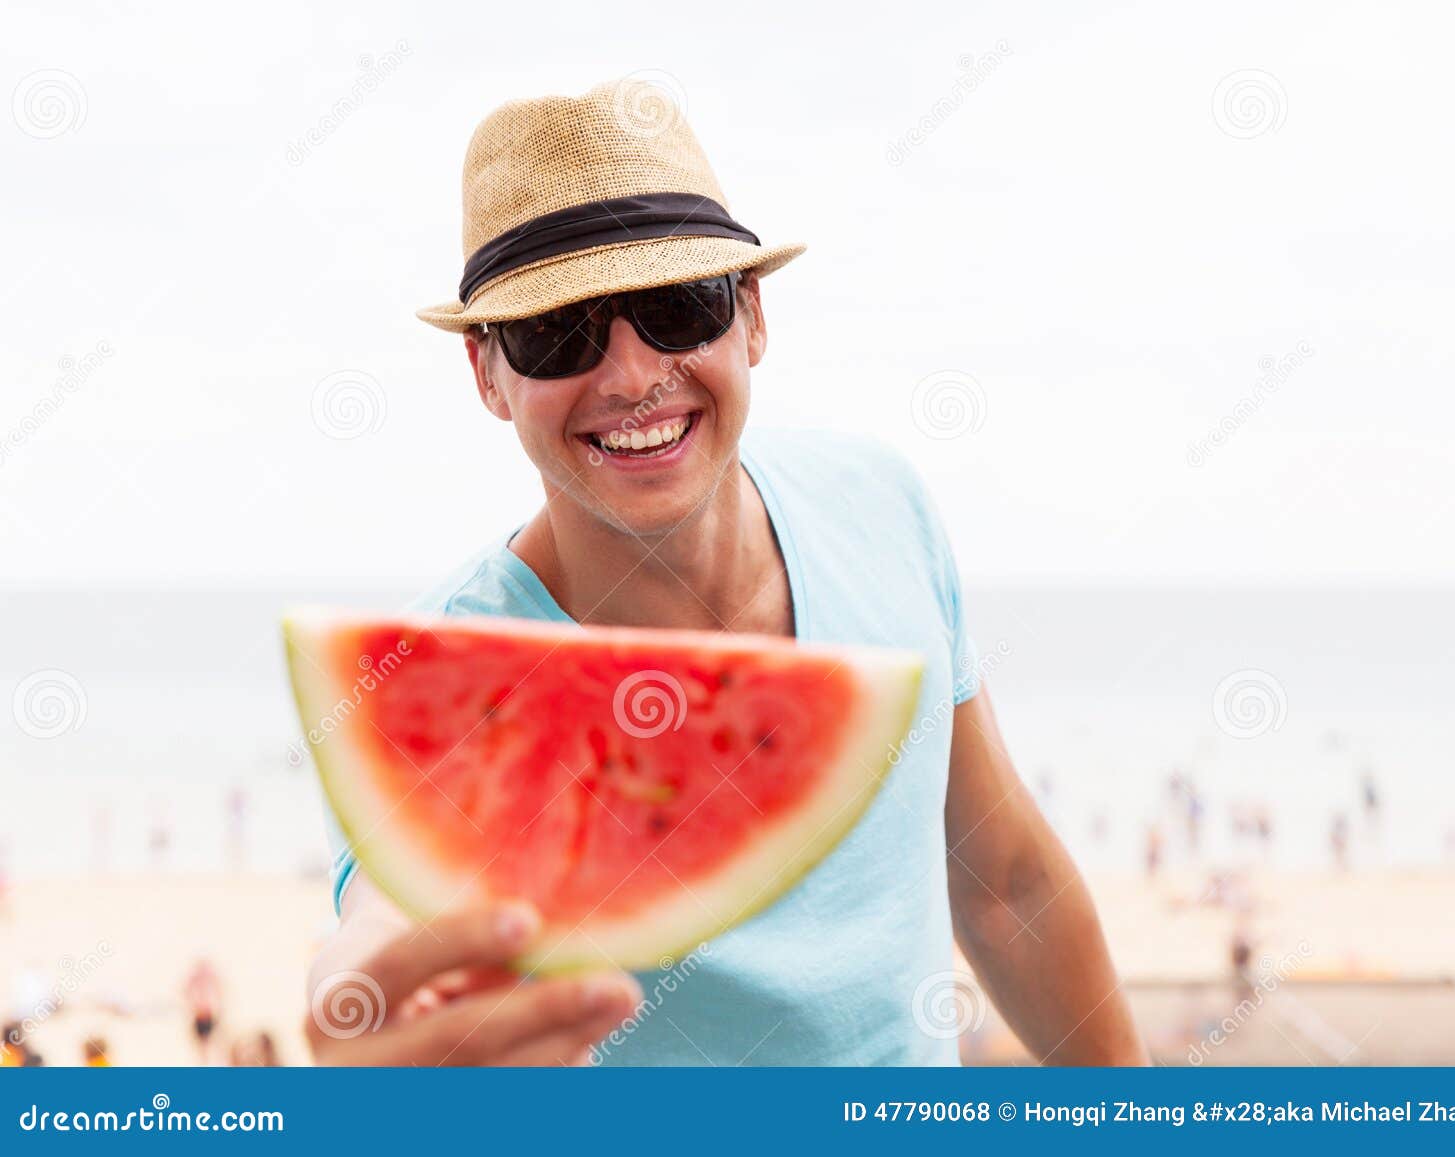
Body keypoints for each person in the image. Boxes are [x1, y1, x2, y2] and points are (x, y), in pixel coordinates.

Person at [304, 79, 1145, 1068]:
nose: (632, 377)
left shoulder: (881, 503)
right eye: (557, 333)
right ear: (487, 373)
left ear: (751, 316)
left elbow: (1004, 884)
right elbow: (382, 925)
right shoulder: (430, 677)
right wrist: (366, 997)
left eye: (677, 307)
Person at [183, 959, 222, 1065]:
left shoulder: (210, 978)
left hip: (207, 1015)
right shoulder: (195, 979)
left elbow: (219, 992)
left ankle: (206, 1061)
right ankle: (204, 1061)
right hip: (201, 1015)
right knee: (203, 1046)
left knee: (209, 1045)